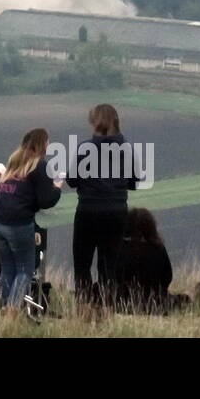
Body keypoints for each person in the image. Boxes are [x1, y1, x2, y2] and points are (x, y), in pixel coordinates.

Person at [65, 103, 138, 303]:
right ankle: (107, 306)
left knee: (82, 263)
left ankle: (84, 306)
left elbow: (72, 181)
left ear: (94, 123)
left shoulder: (85, 149)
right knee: (109, 265)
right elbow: (134, 183)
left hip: (88, 211)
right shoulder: (127, 149)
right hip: (116, 212)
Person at [0, 128, 61, 314]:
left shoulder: (14, 161)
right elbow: (46, 200)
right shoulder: (39, 165)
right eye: (47, 142)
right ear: (41, 144)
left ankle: (3, 308)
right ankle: (12, 312)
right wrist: (57, 187)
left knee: (7, 268)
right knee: (25, 270)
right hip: (17, 223)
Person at [109, 208, 200, 314]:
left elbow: (112, 276)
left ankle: (189, 296)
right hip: (156, 303)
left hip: (122, 303)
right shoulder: (158, 249)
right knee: (175, 300)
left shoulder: (119, 249)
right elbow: (167, 277)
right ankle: (189, 296)